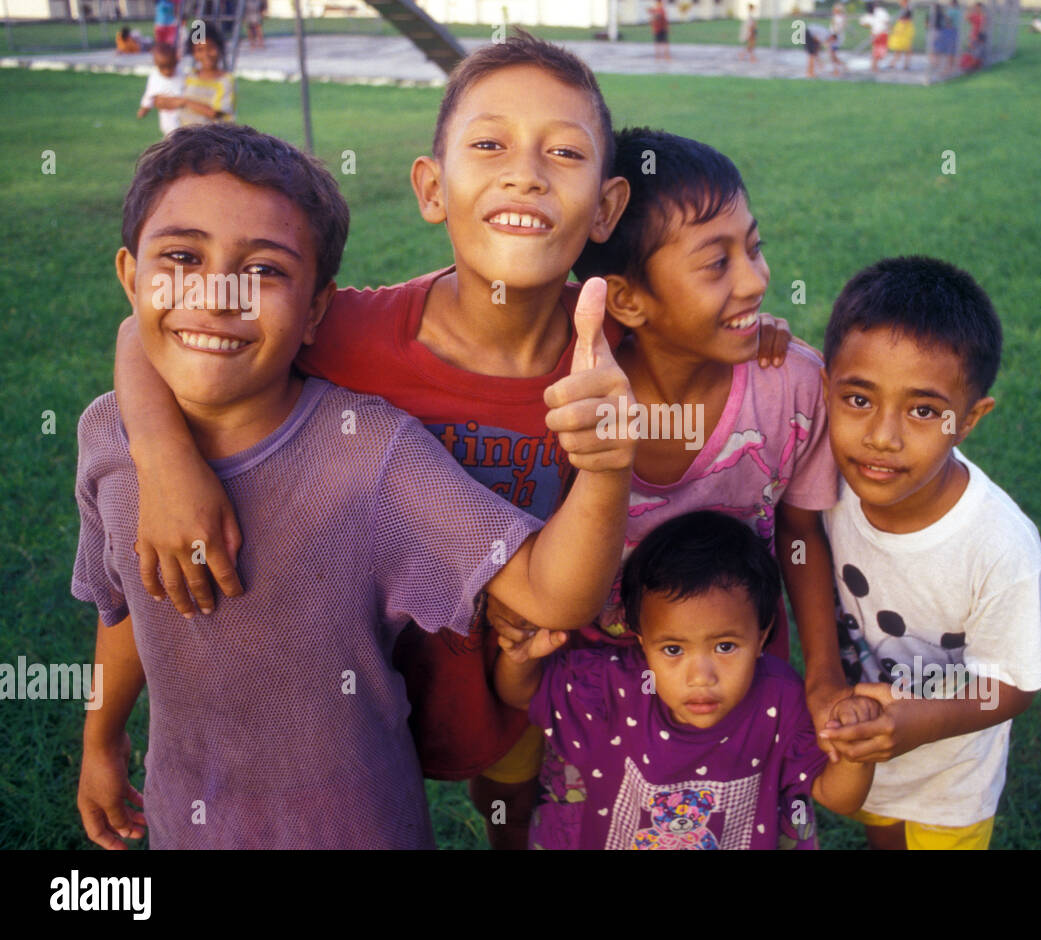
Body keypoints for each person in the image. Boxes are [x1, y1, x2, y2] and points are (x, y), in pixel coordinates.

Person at [111, 33, 792, 850]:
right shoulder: (352, 330)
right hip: (367, 702)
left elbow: (709, 320)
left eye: (564, 152)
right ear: (433, 188)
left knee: (523, 814)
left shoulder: (618, 334)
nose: (525, 172)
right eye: (490, 143)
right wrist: (163, 458)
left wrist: (750, 324)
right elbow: (156, 328)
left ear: (607, 207)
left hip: (535, 674)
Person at [74, 123, 635, 850]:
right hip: (188, 818)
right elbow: (123, 607)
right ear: (130, 276)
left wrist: (606, 463)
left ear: (315, 310)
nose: (216, 293)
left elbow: (553, 597)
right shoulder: (104, 436)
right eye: (182, 257)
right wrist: (102, 740)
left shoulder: (370, 454)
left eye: (267, 271)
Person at [514, 128, 855, 848]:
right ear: (630, 303)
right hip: (597, 699)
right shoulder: (573, 404)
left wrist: (821, 674)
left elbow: (800, 535)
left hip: (739, 685)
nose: (757, 280)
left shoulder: (791, 387)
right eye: (717, 262)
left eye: (753, 247)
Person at [820, 256, 1041, 850]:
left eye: (923, 411)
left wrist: (918, 722)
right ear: (825, 388)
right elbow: (796, 532)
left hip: (951, 778)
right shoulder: (828, 482)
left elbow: (1014, 682)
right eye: (858, 399)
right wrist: (821, 673)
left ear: (969, 419)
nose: (882, 436)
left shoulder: (1000, 546)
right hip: (867, 747)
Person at [494, 511, 878, 849]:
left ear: (762, 636)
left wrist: (854, 754)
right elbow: (523, 694)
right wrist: (519, 657)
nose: (700, 677)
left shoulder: (780, 700)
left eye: (725, 647)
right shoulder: (610, 686)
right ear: (642, 643)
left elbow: (839, 797)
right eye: (673, 650)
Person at [178, 21, 235, 126]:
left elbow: (214, 113)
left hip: (215, 139)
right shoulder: (189, 77)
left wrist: (184, 102)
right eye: (200, 50)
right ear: (193, 53)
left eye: (211, 48)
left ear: (219, 48)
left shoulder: (225, 81)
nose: (206, 54)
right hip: (186, 137)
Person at [137, 43, 184, 137]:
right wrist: (145, 108)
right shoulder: (155, 77)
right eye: (163, 68)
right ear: (156, 64)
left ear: (176, 62)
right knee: (171, 133)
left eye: (171, 66)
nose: (167, 71)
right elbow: (149, 94)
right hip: (167, 113)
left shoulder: (180, 73)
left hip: (183, 109)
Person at [929, 0, 959, 74]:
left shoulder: (952, 11)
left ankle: (946, 68)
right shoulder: (958, 11)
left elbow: (948, 21)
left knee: (946, 50)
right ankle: (950, 67)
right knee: (951, 49)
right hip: (954, 31)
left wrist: (945, 19)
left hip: (949, 31)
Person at [885, 1, 915, 71]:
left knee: (906, 48)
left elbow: (905, 20)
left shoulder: (907, 9)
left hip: (904, 30)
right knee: (900, 49)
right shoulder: (904, 9)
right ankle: (893, 64)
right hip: (903, 29)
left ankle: (905, 64)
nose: (899, 2)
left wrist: (897, 29)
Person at [863, 1, 890, 72]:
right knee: (878, 51)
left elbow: (864, 23)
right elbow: (887, 21)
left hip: (877, 33)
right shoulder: (880, 11)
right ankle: (874, 67)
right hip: (881, 33)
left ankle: (874, 66)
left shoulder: (875, 12)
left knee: (878, 51)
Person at [829, 3, 847, 76]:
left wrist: (834, 36)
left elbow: (838, 29)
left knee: (832, 54)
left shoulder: (839, 18)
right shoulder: (837, 17)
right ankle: (841, 66)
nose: (833, 10)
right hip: (833, 36)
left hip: (836, 37)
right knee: (832, 54)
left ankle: (837, 69)